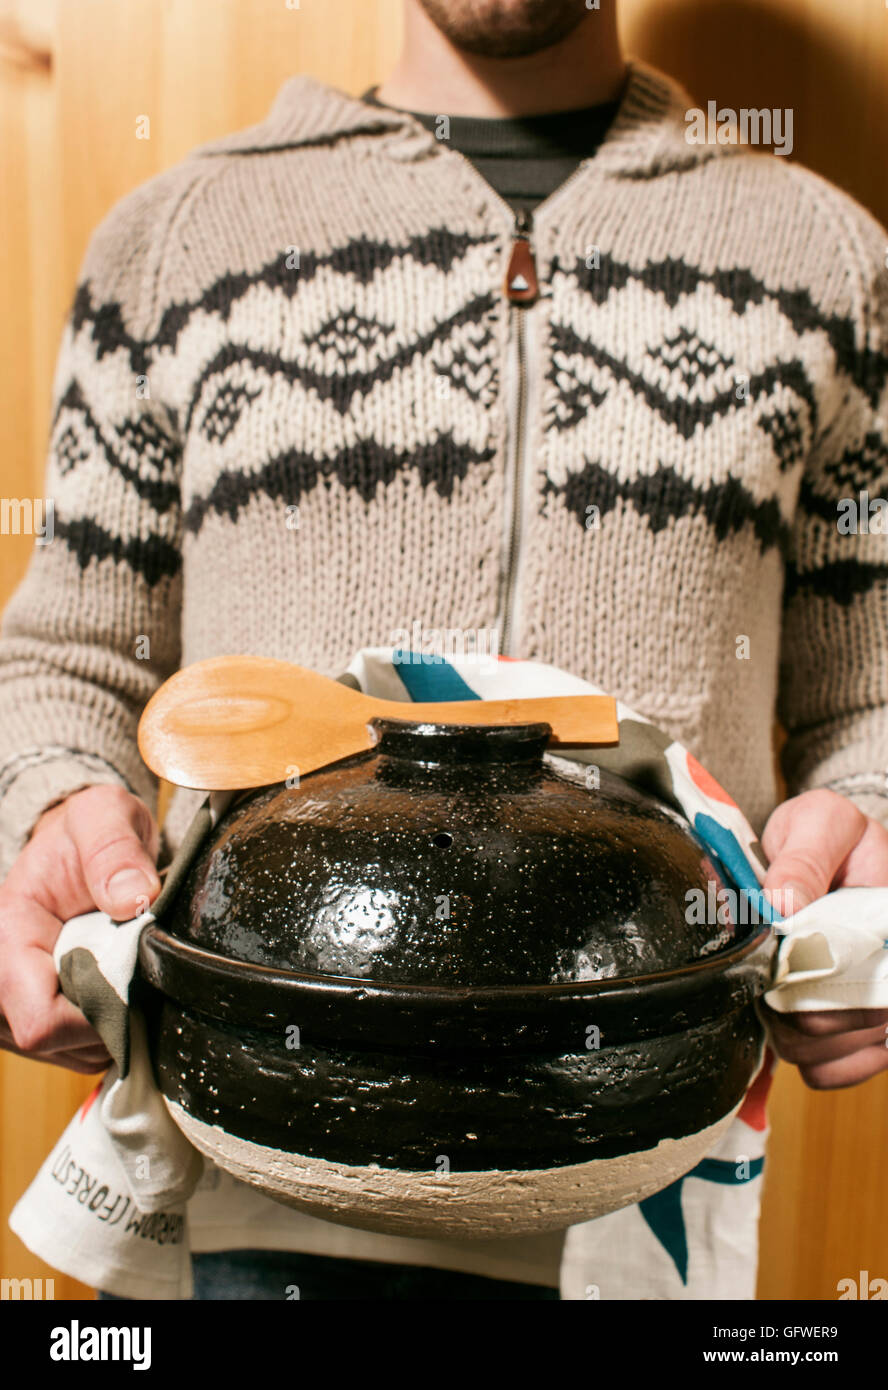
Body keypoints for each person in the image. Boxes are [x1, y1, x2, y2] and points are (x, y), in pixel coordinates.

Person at [1, 0, 886, 1299]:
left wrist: (869, 828)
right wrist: (53, 805)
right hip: (253, 1160)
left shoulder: (833, 264)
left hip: (648, 1159)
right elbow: (70, 655)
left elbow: (871, 697)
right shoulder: (175, 243)